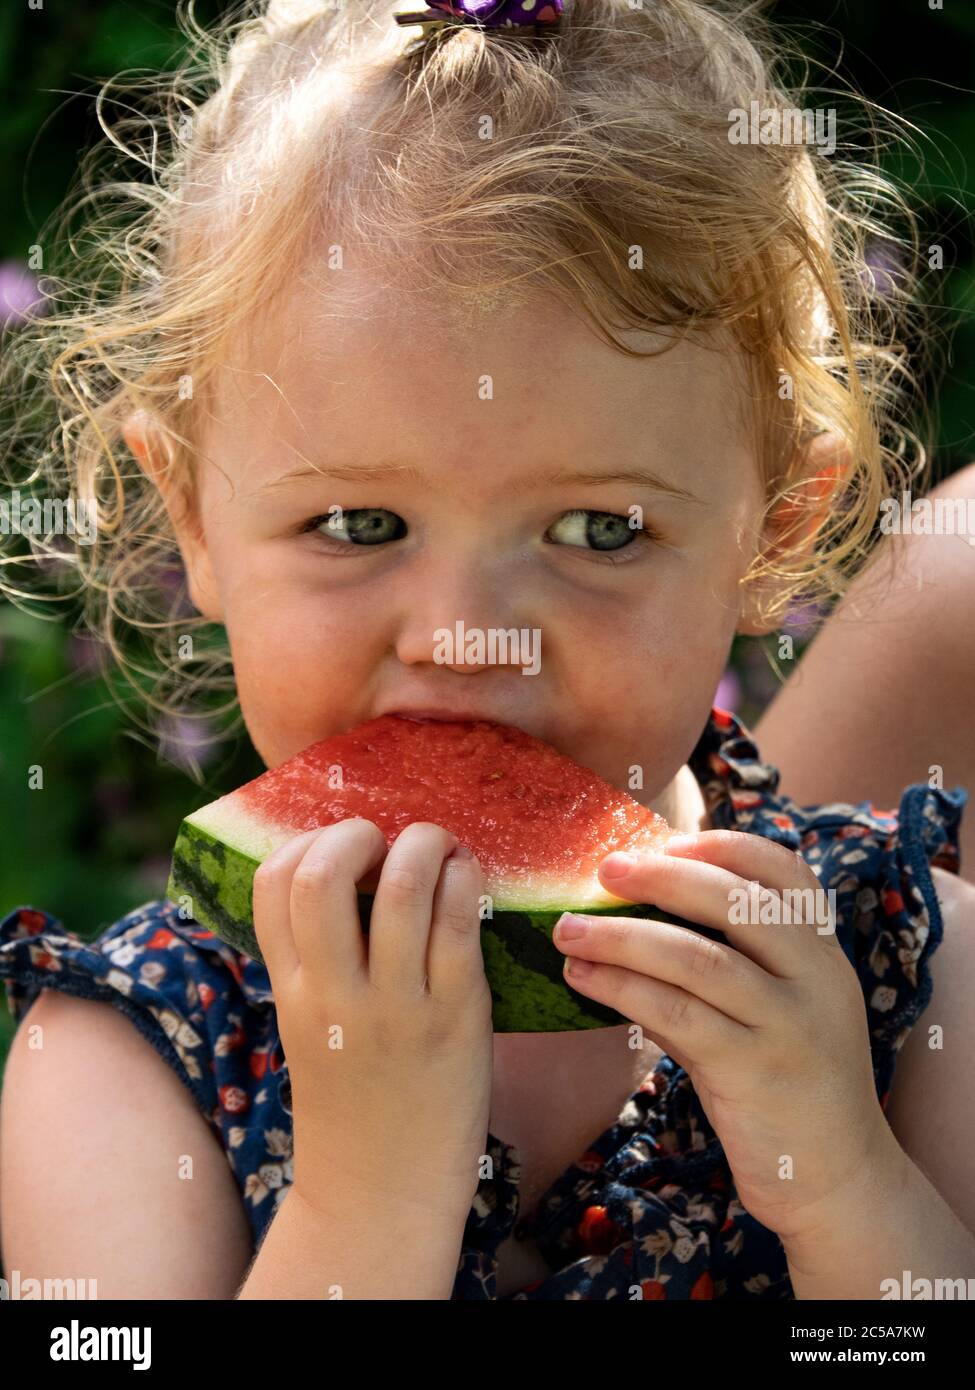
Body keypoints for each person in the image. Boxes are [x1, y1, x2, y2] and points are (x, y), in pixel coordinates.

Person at [1, 0, 973, 1301]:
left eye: (596, 528)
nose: (467, 635)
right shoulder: (119, 1064)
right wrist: (368, 1196)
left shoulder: (919, 972)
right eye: (359, 522)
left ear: (773, 528)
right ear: (194, 517)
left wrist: (851, 1191)